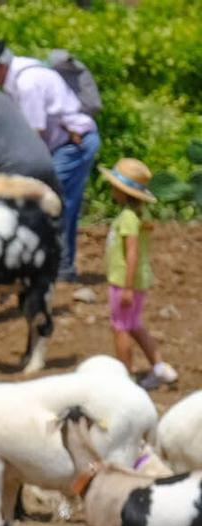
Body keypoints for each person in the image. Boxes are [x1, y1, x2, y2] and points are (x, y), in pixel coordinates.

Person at [0, 37, 99, 278]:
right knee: (53, 203)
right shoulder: (19, 77)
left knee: (57, 203)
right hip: (62, 143)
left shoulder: (27, 83)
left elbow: (34, 136)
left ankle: (60, 269)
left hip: (73, 145)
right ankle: (52, 265)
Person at [101, 157, 178, 390]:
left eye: (116, 186)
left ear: (125, 192)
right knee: (133, 324)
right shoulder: (141, 215)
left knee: (120, 327)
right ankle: (160, 367)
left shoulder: (127, 218)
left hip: (125, 280)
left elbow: (131, 253)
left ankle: (125, 377)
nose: (112, 189)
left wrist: (126, 287)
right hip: (138, 280)